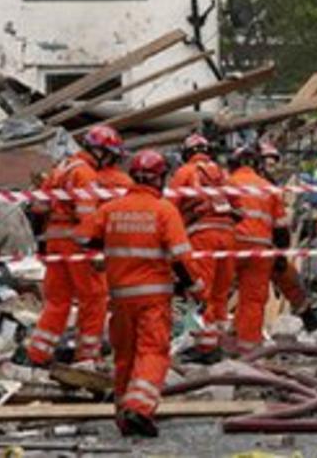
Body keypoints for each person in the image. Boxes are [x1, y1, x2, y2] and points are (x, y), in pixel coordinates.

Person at [88, 149, 205, 438]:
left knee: (125, 356)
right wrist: (197, 288)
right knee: (152, 351)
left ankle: (122, 411)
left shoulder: (111, 209)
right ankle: (139, 408)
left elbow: (85, 238)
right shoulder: (164, 210)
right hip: (152, 297)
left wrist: (105, 254)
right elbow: (181, 257)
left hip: (119, 297)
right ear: (160, 178)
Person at [25, 132, 106, 367]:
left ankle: (38, 354)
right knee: (94, 298)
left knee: (57, 301)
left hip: (55, 243)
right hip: (77, 244)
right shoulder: (86, 174)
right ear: (99, 151)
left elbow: (39, 208)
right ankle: (87, 355)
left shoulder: (60, 169)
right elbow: (87, 217)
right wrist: (96, 250)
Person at [168, 133, 235, 363]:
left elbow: (170, 208)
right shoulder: (222, 173)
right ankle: (217, 340)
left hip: (202, 235)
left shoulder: (184, 172)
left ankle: (204, 347)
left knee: (200, 292)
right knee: (220, 292)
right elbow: (236, 204)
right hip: (228, 235)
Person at [72, 125, 134, 364]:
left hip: (92, 249)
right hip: (122, 250)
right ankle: (109, 350)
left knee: (92, 301)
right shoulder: (123, 182)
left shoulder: (84, 174)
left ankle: (88, 351)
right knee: (111, 301)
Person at [258, 140, 317, 332]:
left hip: (267, 244)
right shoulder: (257, 185)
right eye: (268, 163)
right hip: (253, 246)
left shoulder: (270, 186)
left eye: (274, 163)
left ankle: (307, 316)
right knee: (254, 293)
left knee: (291, 279)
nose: (272, 167)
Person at [226, 143, 286, 353]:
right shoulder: (269, 188)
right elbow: (281, 228)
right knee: (253, 298)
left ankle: (210, 344)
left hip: (230, 246)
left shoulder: (227, 184)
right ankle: (248, 348)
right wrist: (281, 253)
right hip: (260, 249)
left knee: (217, 294)